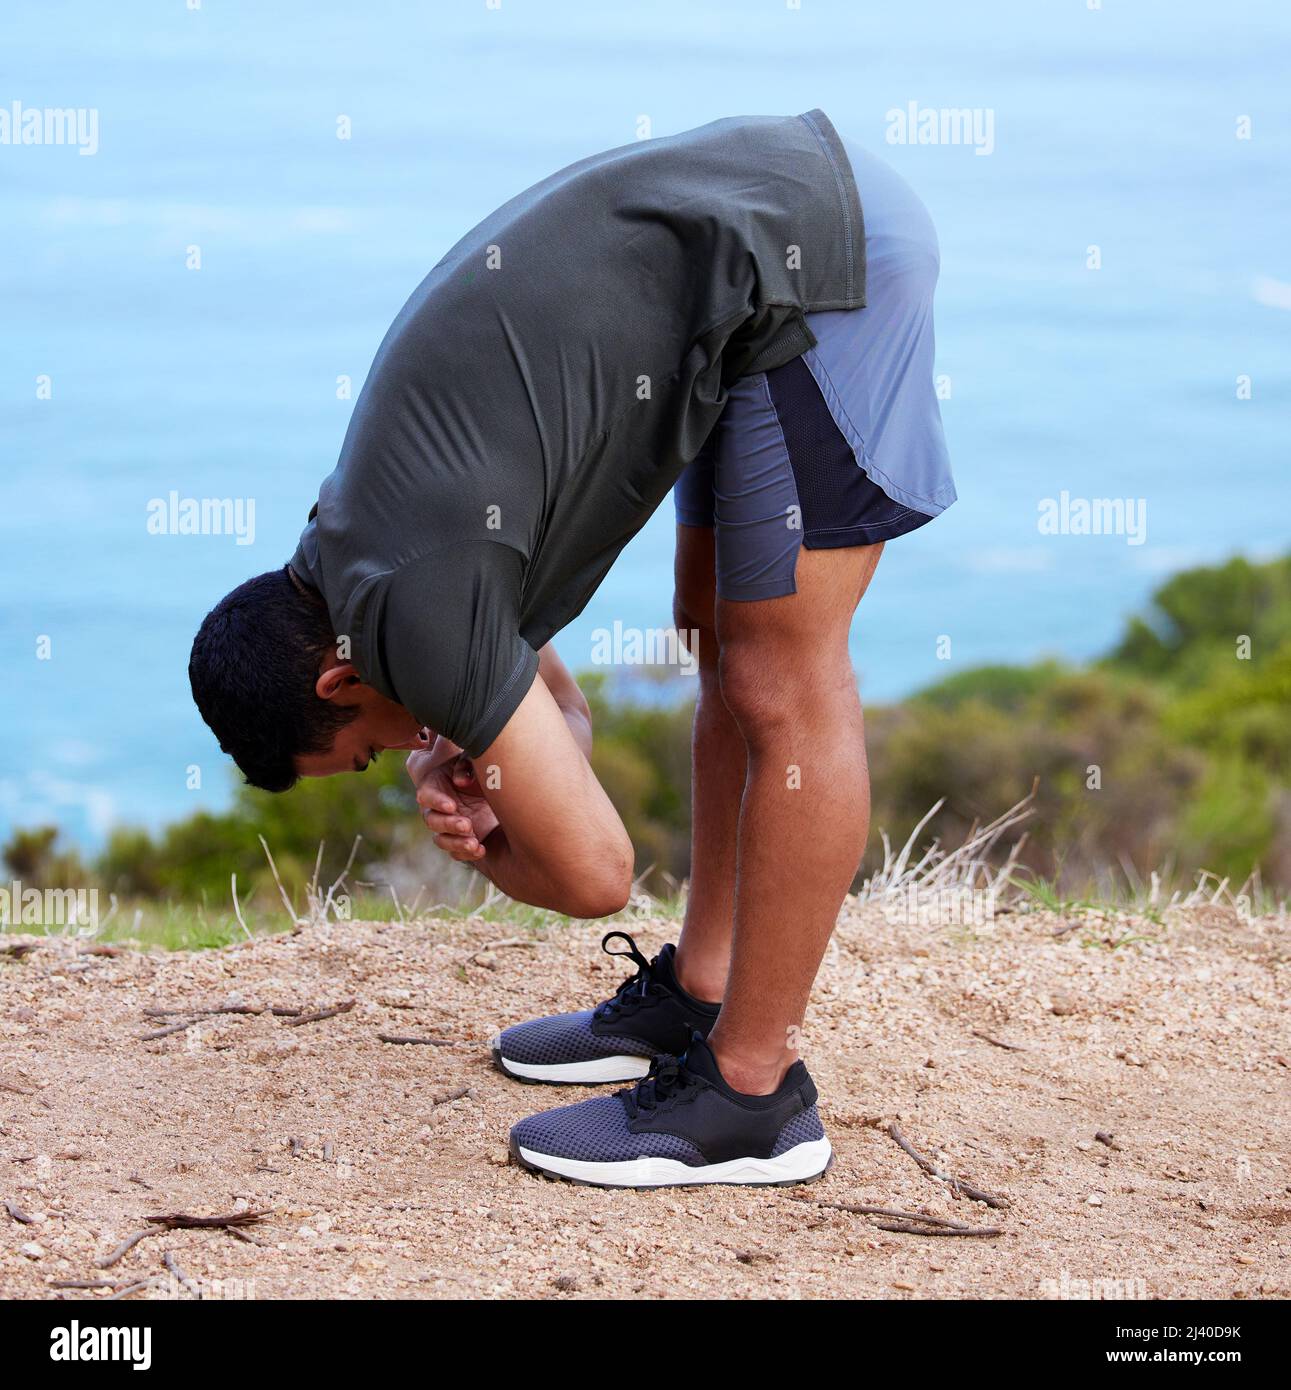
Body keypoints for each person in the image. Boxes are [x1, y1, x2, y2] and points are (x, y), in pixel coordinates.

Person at [189, 109, 955, 1189]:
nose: (389, 758)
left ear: (336, 678)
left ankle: (750, 1097)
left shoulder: (403, 606)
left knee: (782, 675)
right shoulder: (346, 548)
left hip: (819, 263)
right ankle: (702, 990)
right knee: (716, 632)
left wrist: (492, 852)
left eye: (362, 749)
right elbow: (567, 710)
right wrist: (477, 760)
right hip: (750, 248)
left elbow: (595, 875)